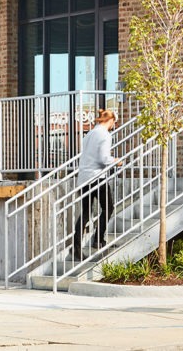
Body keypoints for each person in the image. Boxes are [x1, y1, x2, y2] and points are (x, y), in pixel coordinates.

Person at [74, 108, 120, 260]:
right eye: (114, 122)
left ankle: (77, 247)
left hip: (84, 178)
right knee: (108, 207)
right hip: (97, 177)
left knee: (86, 213)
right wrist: (116, 161)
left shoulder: (90, 133)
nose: (114, 125)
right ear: (111, 121)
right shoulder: (105, 135)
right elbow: (104, 158)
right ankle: (98, 240)